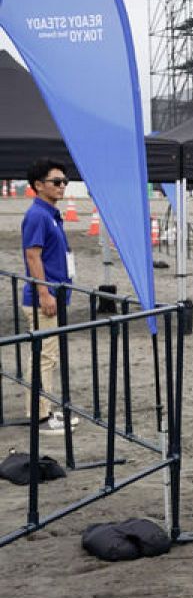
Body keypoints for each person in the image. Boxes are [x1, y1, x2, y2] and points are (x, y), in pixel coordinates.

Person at [21, 158, 75, 434]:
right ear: (39, 185)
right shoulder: (38, 215)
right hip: (45, 297)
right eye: (56, 182)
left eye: (64, 181)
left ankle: (47, 409)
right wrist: (44, 292)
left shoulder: (51, 214)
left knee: (48, 355)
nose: (62, 186)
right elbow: (33, 255)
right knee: (45, 356)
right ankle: (41, 416)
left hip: (54, 294)